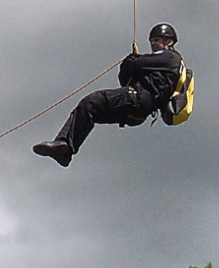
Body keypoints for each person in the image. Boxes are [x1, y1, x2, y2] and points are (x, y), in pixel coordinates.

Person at [32, 22, 185, 168]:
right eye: (152, 40)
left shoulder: (171, 57)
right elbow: (125, 78)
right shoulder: (155, 63)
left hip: (139, 100)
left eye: (157, 40)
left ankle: (64, 145)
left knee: (91, 101)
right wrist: (131, 64)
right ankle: (65, 150)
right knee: (90, 110)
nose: (153, 44)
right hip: (137, 110)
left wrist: (133, 61)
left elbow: (135, 64)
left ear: (169, 41)